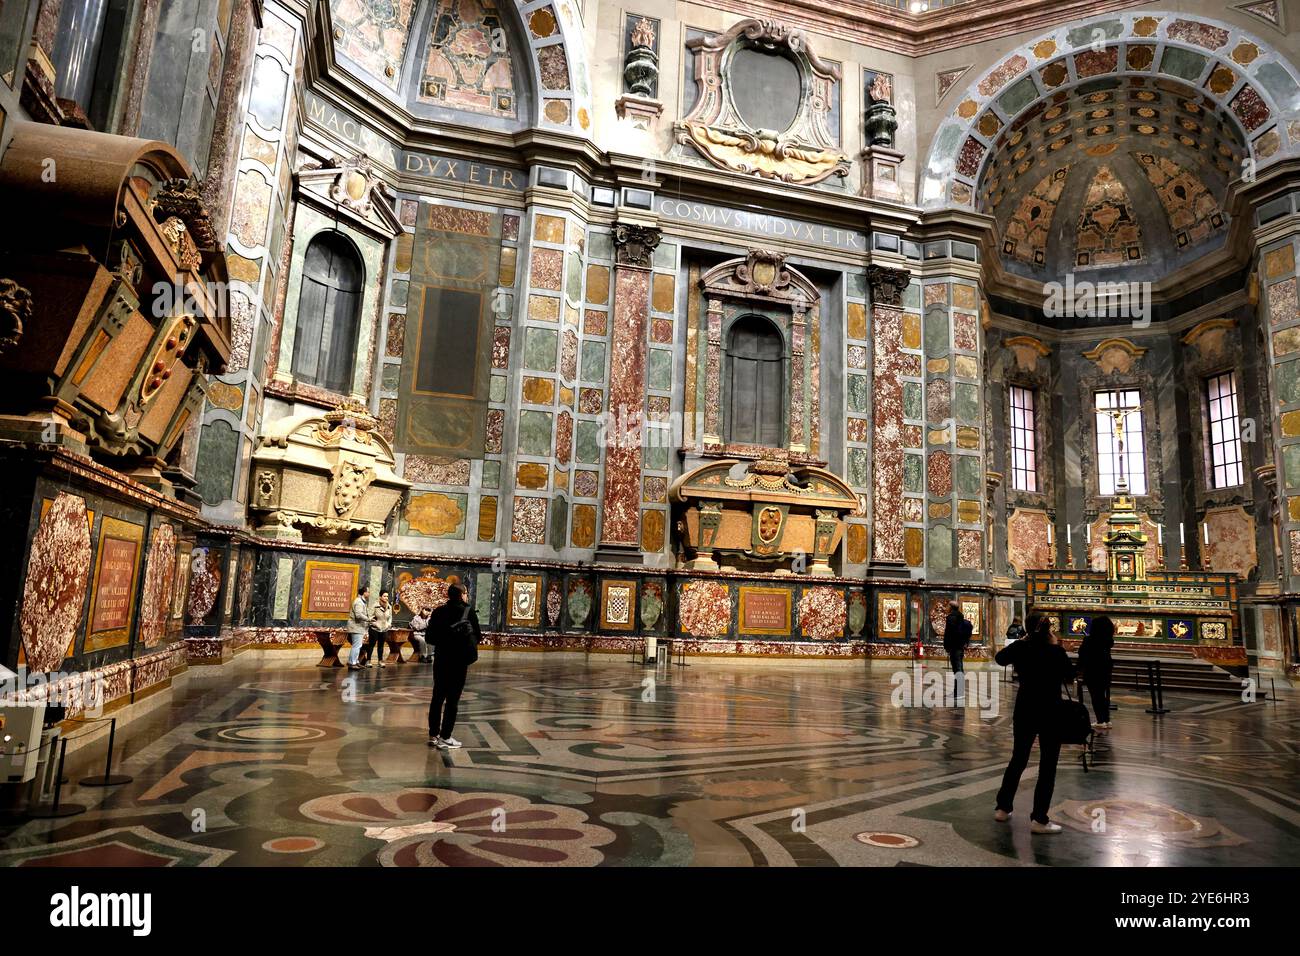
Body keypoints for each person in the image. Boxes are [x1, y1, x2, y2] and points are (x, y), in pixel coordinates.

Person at [993, 614, 1076, 833]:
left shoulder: (1021, 648)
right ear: (1049, 630)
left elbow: (1000, 658)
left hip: (1025, 708)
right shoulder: (1055, 651)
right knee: (1048, 766)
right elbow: (1070, 675)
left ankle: (1003, 808)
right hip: (1051, 710)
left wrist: (1024, 641)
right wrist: (1055, 645)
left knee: (1018, 758)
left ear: (1027, 630)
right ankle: (1039, 819)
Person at [427, 585, 480, 749]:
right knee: (452, 700)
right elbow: (477, 636)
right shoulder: (468, 612)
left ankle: (433, 735)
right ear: (463, 595)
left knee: (437, 698)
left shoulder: (438, 611)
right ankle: (445, 737)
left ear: (448, 595)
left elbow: (429, 638)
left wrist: (445, 639)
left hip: (442, 660)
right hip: (459, 662)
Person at [1077, 615, 1115, 732]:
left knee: (1095, 696)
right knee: (1103, 695)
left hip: (1092, 670)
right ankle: (1106, 719)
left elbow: (1082, 654)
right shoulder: (1108, 641)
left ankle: (1100, 720)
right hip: (1105, 669)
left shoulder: (1089, 640)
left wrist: (1078, 669)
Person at [363, 590, 393, 668]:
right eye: (384, 596)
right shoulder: (375, 606)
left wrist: (388, 624)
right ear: (380, 597)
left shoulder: (389, 606)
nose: (386, 598)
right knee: (371, 645)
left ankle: (380, 661)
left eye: (387, 596)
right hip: (374, 629)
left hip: (384, 629)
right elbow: (370, 617)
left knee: (381, 646)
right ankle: (368, 660)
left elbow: (390, 617)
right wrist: (375, 624)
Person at [346, 587, 370, 671]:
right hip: (356, 627)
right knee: (357, 646)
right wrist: (368, 619)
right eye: (368, 592)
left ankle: (355, 661)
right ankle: (352, 663)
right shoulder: (359, 602)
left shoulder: (361, 601)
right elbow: (358, 615)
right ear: (364, 593)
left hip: (358, 627)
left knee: (358, 646)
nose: (369, 593)